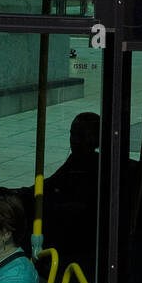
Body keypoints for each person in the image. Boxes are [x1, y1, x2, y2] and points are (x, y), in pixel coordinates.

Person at [43, 113, 102, 274]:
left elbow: (82, 208)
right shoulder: (76, 160)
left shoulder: (94, 166)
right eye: (72, 134)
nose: (74, 140)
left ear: (95, 138)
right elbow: (51, 183)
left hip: (80, 238)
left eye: (80, 135)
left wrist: (52, 207)